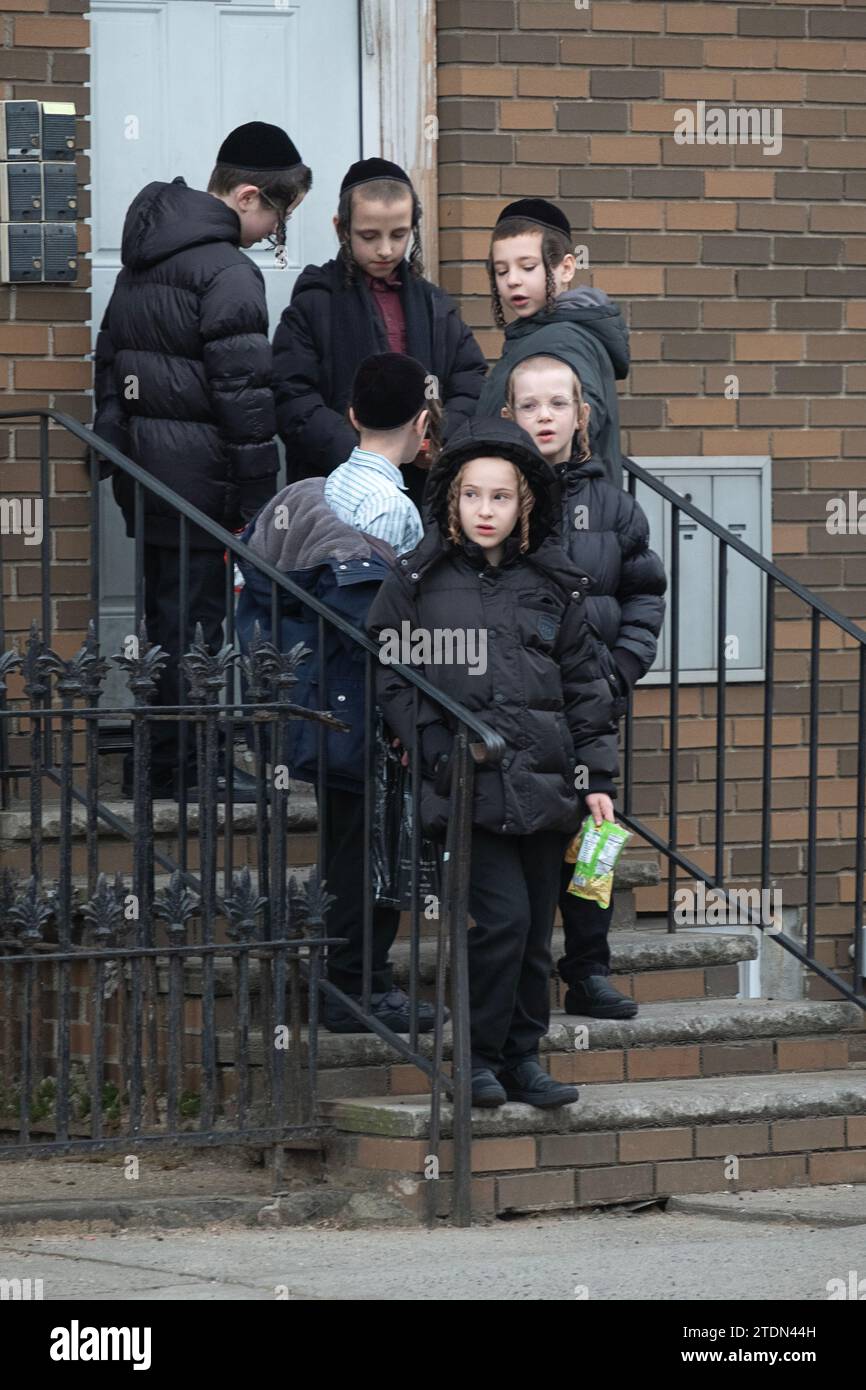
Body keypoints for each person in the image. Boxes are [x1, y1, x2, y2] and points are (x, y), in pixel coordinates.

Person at [367, 417, 620, 1107]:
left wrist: (597, 778)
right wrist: (434, 750)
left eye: (501, 498)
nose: (486, 510)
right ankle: (473, 1060)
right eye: (474, 495)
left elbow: (585, 685)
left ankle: (522, 1059)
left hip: (544, 786)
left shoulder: (554, 582)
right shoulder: (419, 579)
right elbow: (391, 672)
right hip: (466, 784)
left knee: (538, 934)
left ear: (524, 503)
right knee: (499, 923)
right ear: (452, 498)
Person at [93, 121, 311, 800]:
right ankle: (189, 772)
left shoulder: (143, 258)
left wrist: (120, 461)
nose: (276, 234)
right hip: (204, 489)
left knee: (165, 625)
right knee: (199, 630)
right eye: (278, 216)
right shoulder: (228, 273)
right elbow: (246, 402)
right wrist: (256, 504)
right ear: (248, 196)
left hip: (150, 486)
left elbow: (109, 365)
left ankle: (157, 765)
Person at [236, 353, 442, 1034]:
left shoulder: (317, 489)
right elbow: (381, 617)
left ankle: (344, 974)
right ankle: (359, 984)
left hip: (324, 699)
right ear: (422, 423)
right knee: (375, 848)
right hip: (371, 704)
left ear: (351, 417)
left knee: (345, 843)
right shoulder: (393, 509)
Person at [502, 354, 667, 1019]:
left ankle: (589, 970)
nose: (545, 416)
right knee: (531, 845)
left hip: (590, 708)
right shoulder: (497, 496)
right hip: (519, 709)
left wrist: (619, 673)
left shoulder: (616, 508)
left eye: (557, 404)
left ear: (582, 416)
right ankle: (522, 976)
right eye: (530, 405)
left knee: (591, 840)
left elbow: (645, 598)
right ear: (509, 415)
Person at [272, 157, 488, 510]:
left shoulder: (434, 304)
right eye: (369, 236)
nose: (386, 249)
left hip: (421, 494)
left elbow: (471, 379)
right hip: (336, 493)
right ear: (341, 228)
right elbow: (291, 396)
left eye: (399, 235)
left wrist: (439, 438)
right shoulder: (314, 303)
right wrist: (362, 456)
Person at [476, 198, 629, 488]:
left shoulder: (562, 339)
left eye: (528, 267)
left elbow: (580, 426)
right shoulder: (539, 333)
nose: (513, 281)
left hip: (558, 514)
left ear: (567, 268)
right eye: (502, 270)